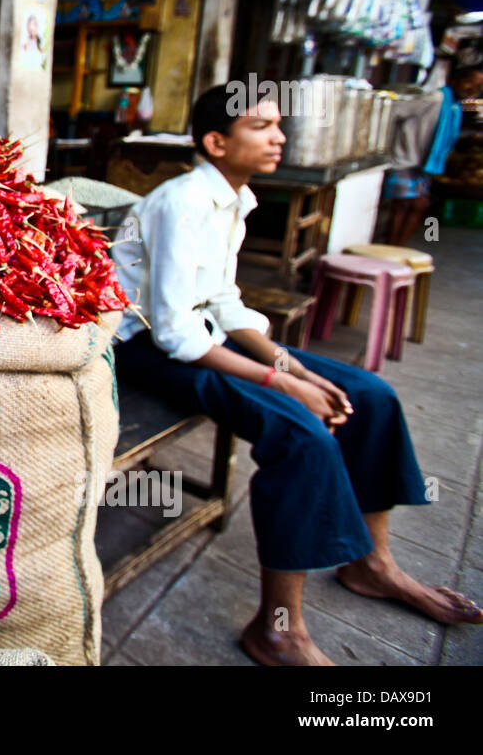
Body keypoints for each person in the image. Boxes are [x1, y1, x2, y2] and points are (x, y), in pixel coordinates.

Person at [110, 82, 482, 666]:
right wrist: (284, 384)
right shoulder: (180, 201)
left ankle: (372, 564)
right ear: (216, 141)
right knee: (303, 434)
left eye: (278, 124)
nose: (279, 136)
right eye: (260, 126)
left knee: (371, 396)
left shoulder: (235, 198)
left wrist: (293, 363)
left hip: (200, 333)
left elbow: (224, 302)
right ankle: (277, 629)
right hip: (147, 347)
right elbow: (177, 334)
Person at [383, 63, 483, 246]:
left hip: (423, 165)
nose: (472, 89)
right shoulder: (436, 98)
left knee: (416, 206)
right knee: (404, 206)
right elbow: (395, 112)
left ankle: (397, 249)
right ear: (455, 81)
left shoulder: (454, 107)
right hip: (405, 160)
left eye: (478, 87)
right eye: (469, 83)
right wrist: (400, 141)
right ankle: (391, 249)